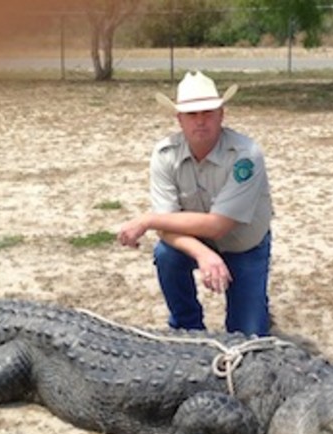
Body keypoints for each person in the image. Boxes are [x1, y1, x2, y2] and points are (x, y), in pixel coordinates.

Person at [116, 71, 274, 336]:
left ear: (221, 114)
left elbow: (218, 225)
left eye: (207, 112)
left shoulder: (246, 156)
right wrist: (203, 253)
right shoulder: (165, 154)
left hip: (244, 245)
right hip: (197, 243)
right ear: (179, 119)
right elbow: (167, 229)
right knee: (165, 255)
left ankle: (256, 308)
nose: (200, 121)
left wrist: (147, 220)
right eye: (191, 114)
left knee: (247, 339)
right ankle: (186, 325)